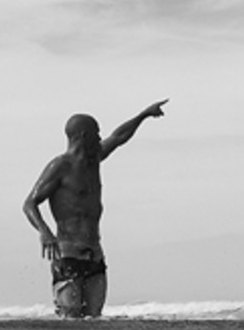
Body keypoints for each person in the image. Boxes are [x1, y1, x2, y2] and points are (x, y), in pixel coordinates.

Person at [23, 100, 168, 318]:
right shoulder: (60, 166)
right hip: (68, 253)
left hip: (95, 254)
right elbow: (29, 203)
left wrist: (144, 115)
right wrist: (44, 232)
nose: (100, 138)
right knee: (70, 317)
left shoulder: (94, 160)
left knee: (94, 319)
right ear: (83, 136)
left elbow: (119, 137)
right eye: (96, 133)